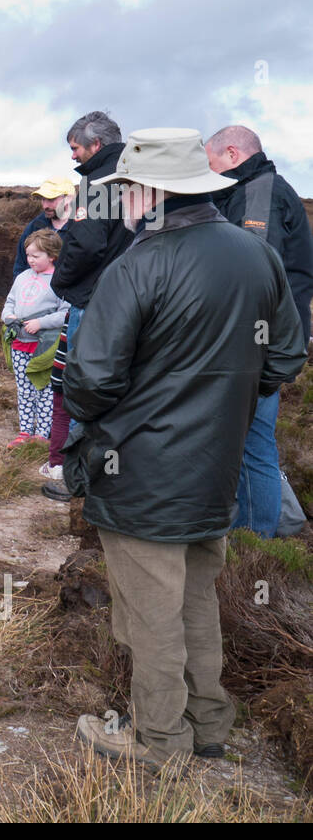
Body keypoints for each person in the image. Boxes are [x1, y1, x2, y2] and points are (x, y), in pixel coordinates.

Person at [64, 128, 306, 767]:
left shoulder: (138, 265)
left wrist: (118, 421)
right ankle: (209, 723)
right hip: (214, 472)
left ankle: (159, 741)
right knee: (196, 600)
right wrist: (221, 400)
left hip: (142, 473)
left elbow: (90, 382)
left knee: (151, 615)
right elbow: (284, 355)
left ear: (147, 191)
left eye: (125, 191)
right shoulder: (256, 256)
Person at [205, 125, 313, 536]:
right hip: (267, 339)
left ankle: (256, 540)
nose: (208, 170)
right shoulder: (250, 190)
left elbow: (251, 273)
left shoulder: (260, 195)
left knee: (253, 445)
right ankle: (252, 529)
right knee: (249, 442)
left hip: (257, 344)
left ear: (232, 154)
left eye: (211, 161)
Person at [43, 111, 128, 501]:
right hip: (124, 302)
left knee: (81, 387)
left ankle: (77, 479)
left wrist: (61, 281)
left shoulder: (98, 184)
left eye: (75, 148)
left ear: (96, 146)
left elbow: (88, 244)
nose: (73, 157)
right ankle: (103, 478)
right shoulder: (133, 180)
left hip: (92, 301)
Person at [1, 229, 68, 447]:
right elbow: (9, 302)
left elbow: (66, 312)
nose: (30, 260)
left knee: (45, 389)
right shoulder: (22, 277)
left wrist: (41, 323)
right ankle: (25, 431)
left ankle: (42, 433)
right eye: (28, 255)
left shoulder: (60, 280)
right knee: (24, 388)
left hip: (45, 347)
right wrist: (8, 316)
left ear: (52, 255)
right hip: (20, 344)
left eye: (36, 256)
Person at [12, 177, 73, 277]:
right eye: (43, 199)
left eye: (51, 199)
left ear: (68, 199)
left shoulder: (81, 228)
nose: (45, 205)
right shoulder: (35, 226)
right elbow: (20, 264)